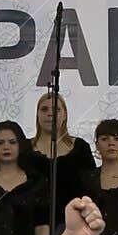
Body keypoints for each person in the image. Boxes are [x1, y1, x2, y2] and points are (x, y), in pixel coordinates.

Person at [28, 90, 96, 218]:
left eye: (56, 110)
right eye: (44, 109)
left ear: (65, 115)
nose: (50, 114)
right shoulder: (24, 148)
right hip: (31, 224)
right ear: (37, 114)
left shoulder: (80, 148)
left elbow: (91, 189)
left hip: (72, 224)